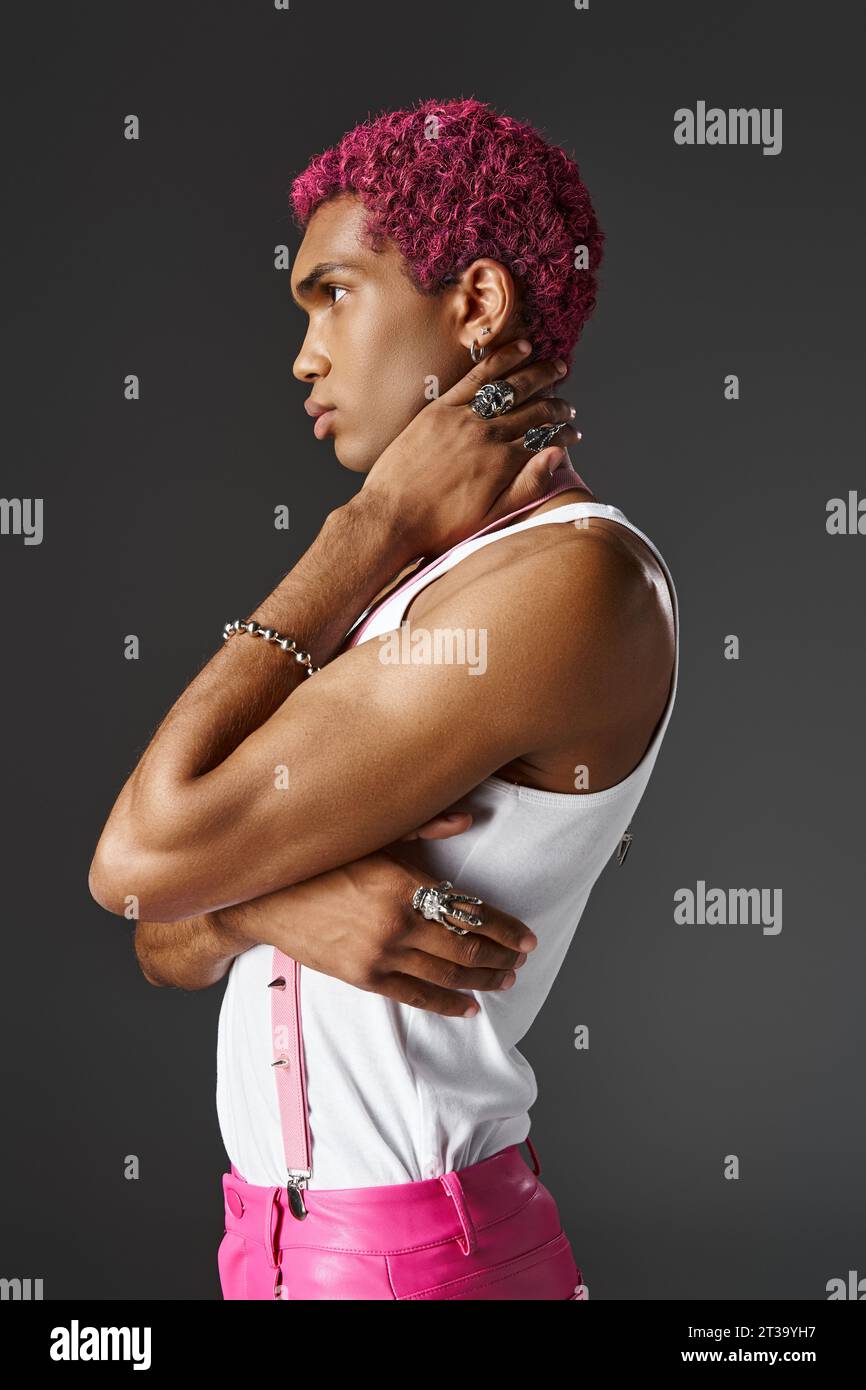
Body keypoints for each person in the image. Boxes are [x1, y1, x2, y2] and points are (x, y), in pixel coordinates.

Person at [88, 97, 679, 1300]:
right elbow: (164, 931)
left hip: (417, 1260)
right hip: (262, 1244)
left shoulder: (568, 581)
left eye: (334, 293)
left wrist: (370, 525)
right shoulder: (424, 588)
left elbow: (141, 855)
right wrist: (270, 909)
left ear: (472, 304)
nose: (303, 355)